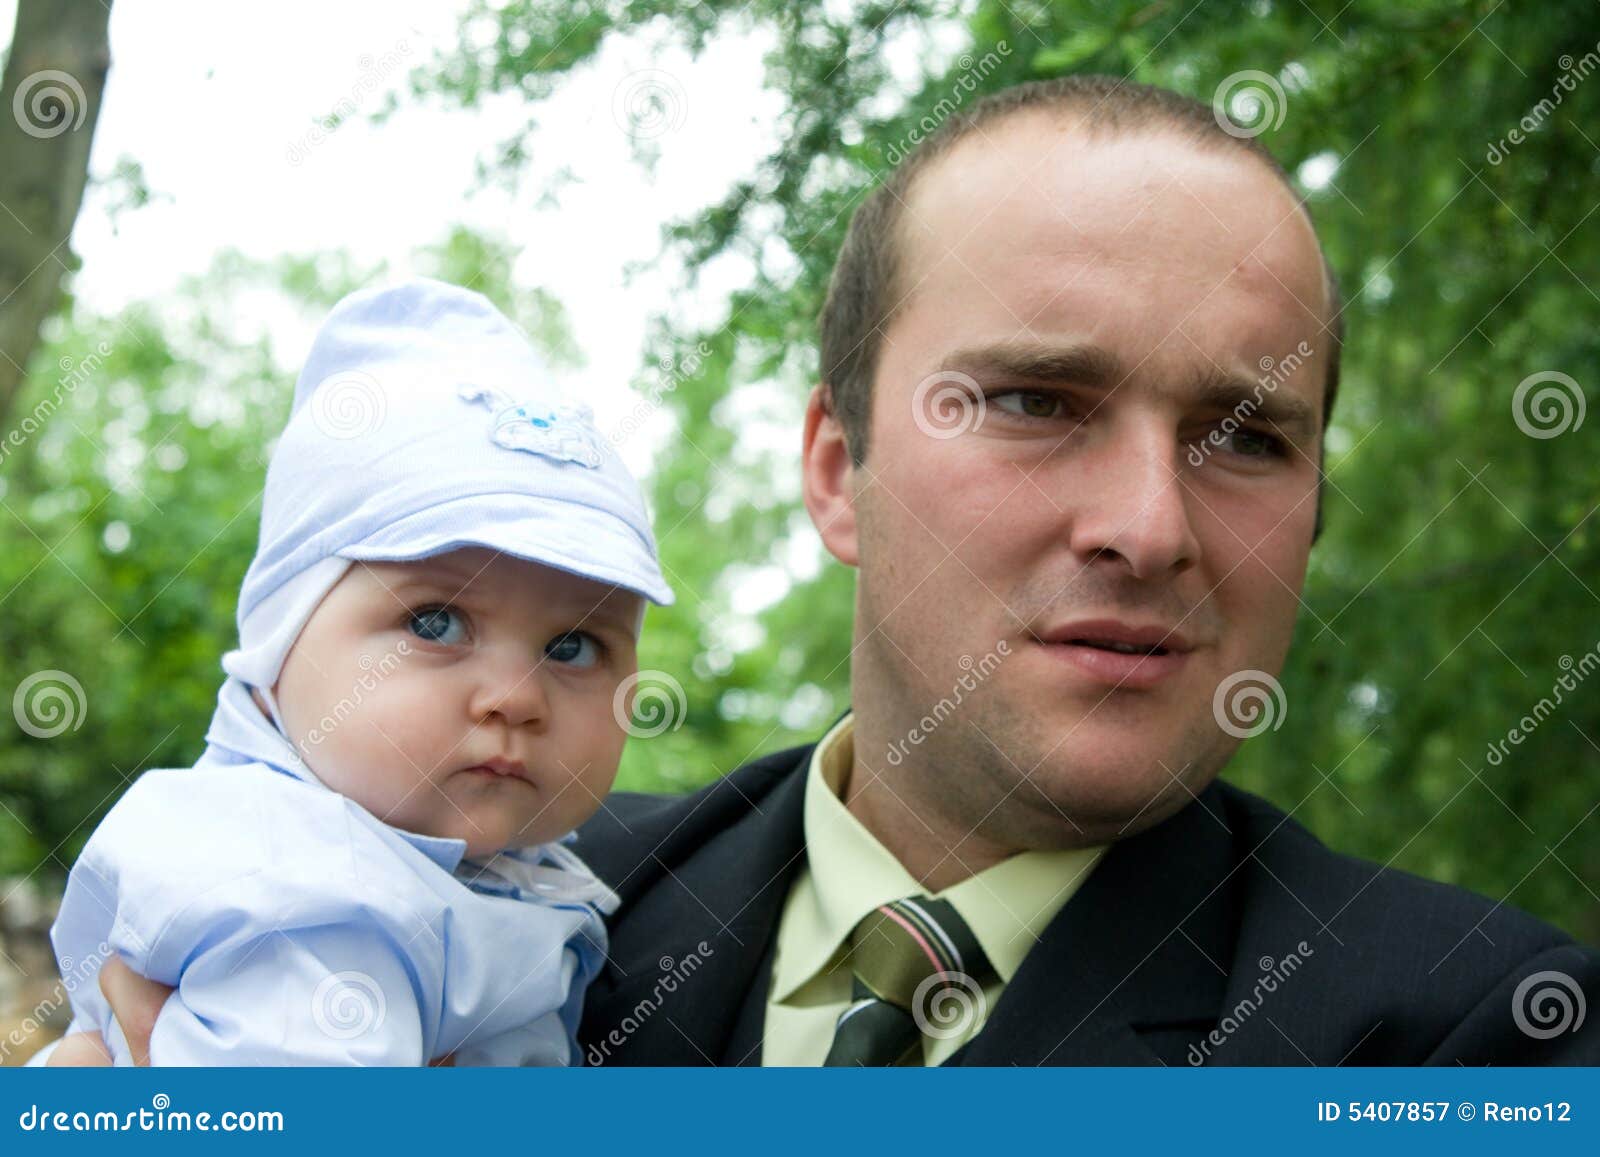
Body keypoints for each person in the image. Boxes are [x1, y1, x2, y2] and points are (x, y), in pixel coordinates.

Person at [64, 76, 1600, 1068]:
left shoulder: (1483, 1050)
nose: (1150, 523)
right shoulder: (465, 894)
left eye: (1246, 435)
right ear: (835, 468)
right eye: (1037, 402)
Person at [43, 278, 673, 1065]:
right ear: (278, 649)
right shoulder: (299, 893)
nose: (516, 698)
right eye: (436, 622)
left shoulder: (462, 873)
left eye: (573, 646)